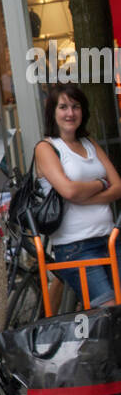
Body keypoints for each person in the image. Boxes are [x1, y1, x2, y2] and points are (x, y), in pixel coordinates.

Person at [35, 85, 121, 309]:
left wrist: (89, 193)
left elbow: (118, 186)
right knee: (108, 310)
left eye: (75, 107)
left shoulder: (89, 143)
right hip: (76, 247)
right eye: (63, 107)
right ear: (53, 112)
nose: (70, 113)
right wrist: (101, 184)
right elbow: (69, 191)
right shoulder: (46, 148)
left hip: (110, 240)